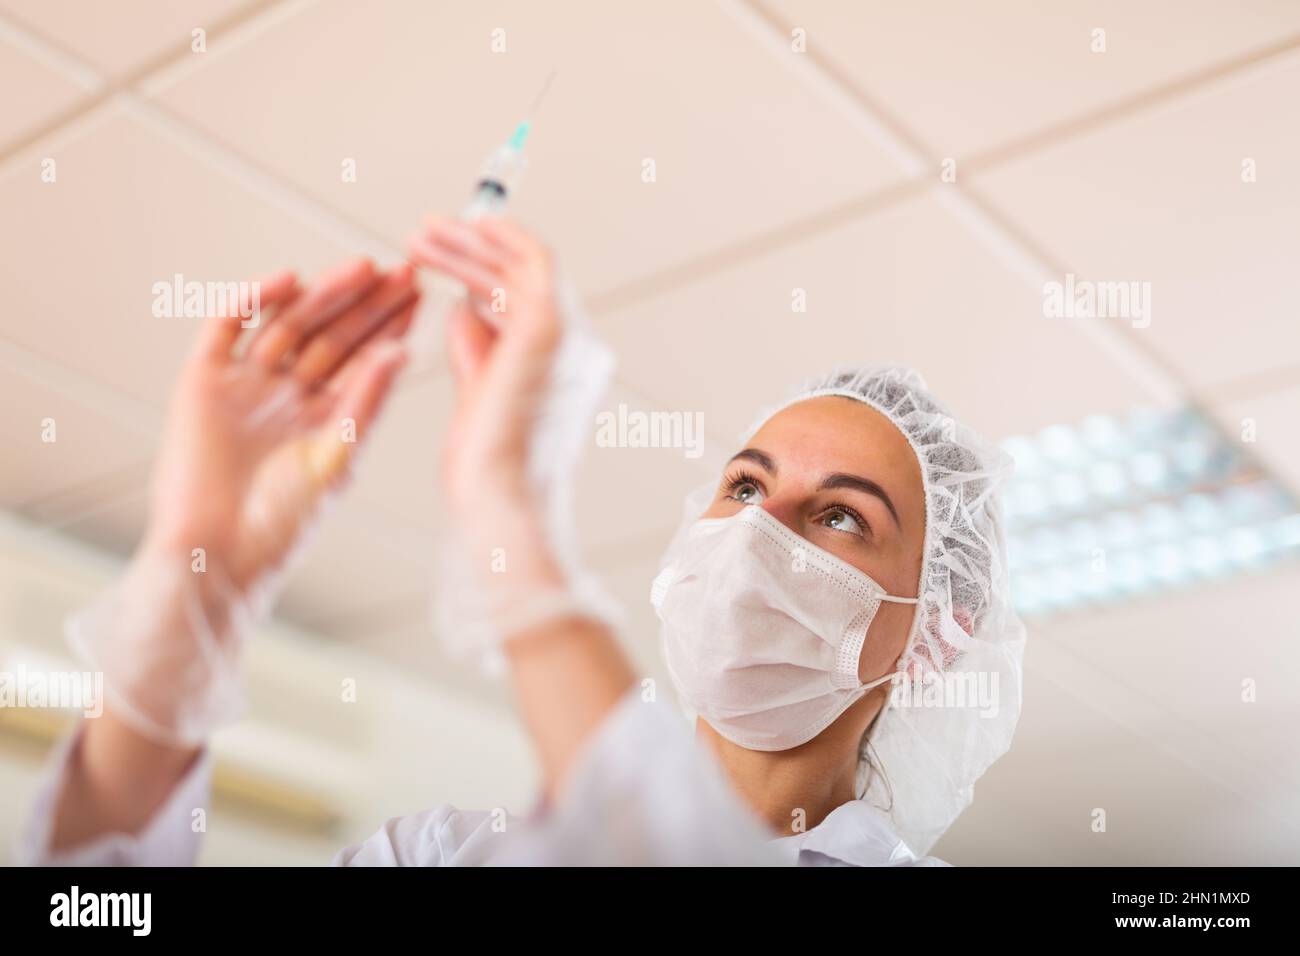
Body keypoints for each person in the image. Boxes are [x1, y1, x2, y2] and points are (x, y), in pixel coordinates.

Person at [18, 217, 1024, 867]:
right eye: (744, 485)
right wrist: (199, 582)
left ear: (932, 635)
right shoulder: (439, 856)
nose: (758, 532)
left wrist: (510, 518)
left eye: (840, 514)